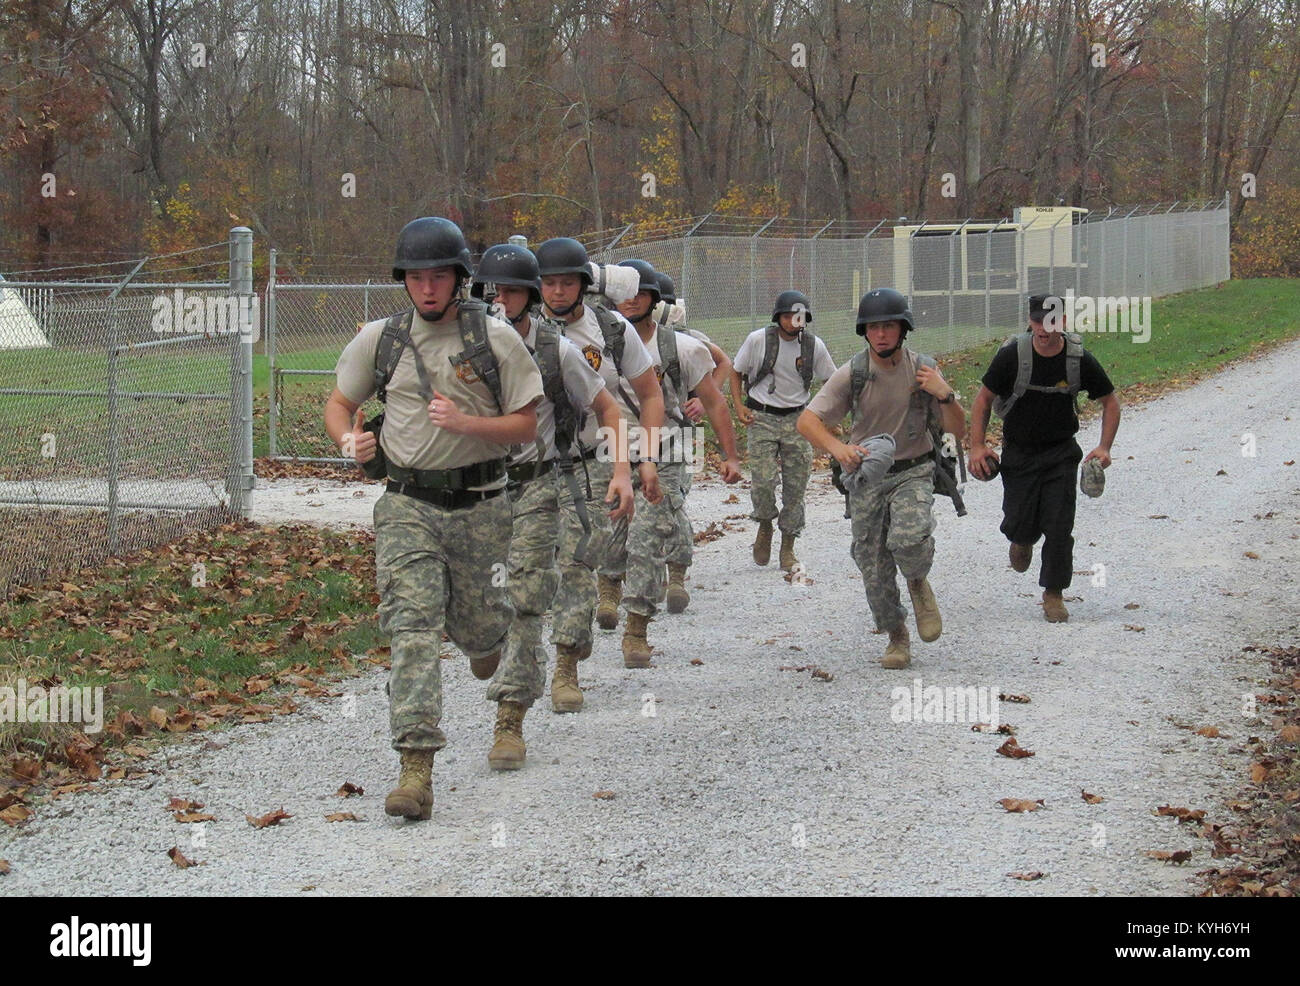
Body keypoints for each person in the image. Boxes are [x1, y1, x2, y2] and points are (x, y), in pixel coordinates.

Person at [325, 217, 543, 820]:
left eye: (438, 275)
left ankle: (484, 641)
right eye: (416, 276)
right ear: (404, 280)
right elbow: (341, 405)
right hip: (407, 505)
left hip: (482, 507)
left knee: (481, 630)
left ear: (458, 278)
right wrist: (351, 443)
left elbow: (526, 424)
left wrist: (468, 424)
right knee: (412, 625)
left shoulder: (495, 340)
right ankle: (415, 768)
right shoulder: (382, 339)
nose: (426, 287)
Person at [470, 243, 633, 737]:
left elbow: (608, 407)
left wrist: (623, 470)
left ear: (529, 297)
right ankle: (481, 640)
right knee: (484, 599)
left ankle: (519, 709)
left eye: (513, 291)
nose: (501, 299)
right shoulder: (461, 346)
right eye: (494, 290)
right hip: (477, 490)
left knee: (542, 586)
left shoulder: (554, 348)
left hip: (546, 479)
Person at [798, 288, 965, 669]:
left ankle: (919, 582)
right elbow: (807, 421)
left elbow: (957, 430)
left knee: (908, 540)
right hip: (867, 477)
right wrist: (838, 448)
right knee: (872, 566)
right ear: (865, 332)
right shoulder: (854, 373)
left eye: (889, 326)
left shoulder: (923, 369)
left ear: (903, 329)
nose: (881, 334)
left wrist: (946, 395)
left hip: (914, 470)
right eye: (874, 327)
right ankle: (897, 636)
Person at [535, 237, 665, 691]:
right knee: (527, 572)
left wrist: (642, 459)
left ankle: (566, 663)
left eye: (566, 282)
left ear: (583, 285)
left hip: (592, 462)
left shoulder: (611, 330)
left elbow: (650, 394)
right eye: (548, 283)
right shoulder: (516, 329)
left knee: (576, 562)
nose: (556, 292)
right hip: (528, 467)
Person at [611, 259, 741, 660]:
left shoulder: (682, 346)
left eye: (640, 293)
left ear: (654, 299)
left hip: (669, 448)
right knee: (607, 534)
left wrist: (730, 455)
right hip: (608, 449)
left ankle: (636, 626)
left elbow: (717, 403)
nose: (631, 300)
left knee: (650, 532)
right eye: (624, 293)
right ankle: (605, 589)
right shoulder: (594, 345)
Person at [966, 293, 1120, 622]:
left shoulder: (1078, 359)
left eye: (1051, 322)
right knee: (1020, 523)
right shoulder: (1012, 356)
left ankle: (1053, 593)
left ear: (1063, 322)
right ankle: (1021, 540)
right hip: (1019, 454)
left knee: (1059, 525)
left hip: (1061, 454)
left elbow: (1110, 402)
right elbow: (982, 401)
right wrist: (976, 446)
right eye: (1038, 321)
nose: (1043, 329)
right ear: (1031, 320)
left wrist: (1104, 447)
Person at [731, 290, 836, 571]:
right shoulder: (758, 340)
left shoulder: (814, 346)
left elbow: (832, 382)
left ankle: (788, 546)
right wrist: (739, 406)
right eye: (787, 315)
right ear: (778, 317)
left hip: (798, 420)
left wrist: (820, 414)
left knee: (796, 487)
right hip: (762, 416)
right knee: (763, 482)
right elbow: (735, 371)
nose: (793, 321)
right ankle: (765, 524)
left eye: (798, 317)